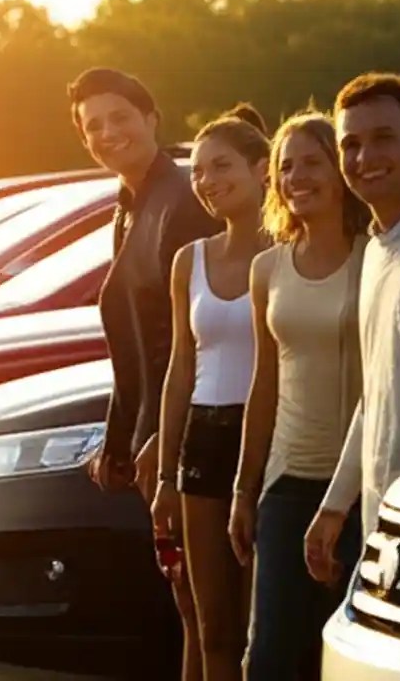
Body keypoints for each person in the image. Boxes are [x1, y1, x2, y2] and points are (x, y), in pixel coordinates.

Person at [68, 67, 223, 677]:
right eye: (93, 126)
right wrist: (116, 441)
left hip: (186, 439)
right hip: (149, 443)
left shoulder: (183, 202)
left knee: (208, 612)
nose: (109, 134)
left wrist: (163, 437)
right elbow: (128, 344)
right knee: (186, 605)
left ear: (152, 118)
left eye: (120, 118)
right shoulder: (129, 204)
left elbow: (193, 340)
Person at [228, 111, 371, 680]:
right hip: (286, 486)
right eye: (286, 166)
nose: (297, 177)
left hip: (362, 487)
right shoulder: (267, 269)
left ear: (339, 171)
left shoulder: (376, 255)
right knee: (269, 657)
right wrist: (245, 488)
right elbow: (265, 384)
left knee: (343, 655)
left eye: (313, 162)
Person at [304, 73, 400, 581]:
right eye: (350, 144)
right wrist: (336, 503)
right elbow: (375, 394)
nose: (364, 156)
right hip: (385, 525)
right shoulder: (375, 249)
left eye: (383, 138)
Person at [150, 103, 272, 681]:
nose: (206, 182)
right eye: (197, 171)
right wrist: (167, 477)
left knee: (261, 629)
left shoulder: (290, 256)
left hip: (271, 442)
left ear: (262, 169)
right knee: (210, 624)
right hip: (202, 441)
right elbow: (181, 368)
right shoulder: (189, 260)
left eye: (221, 167)